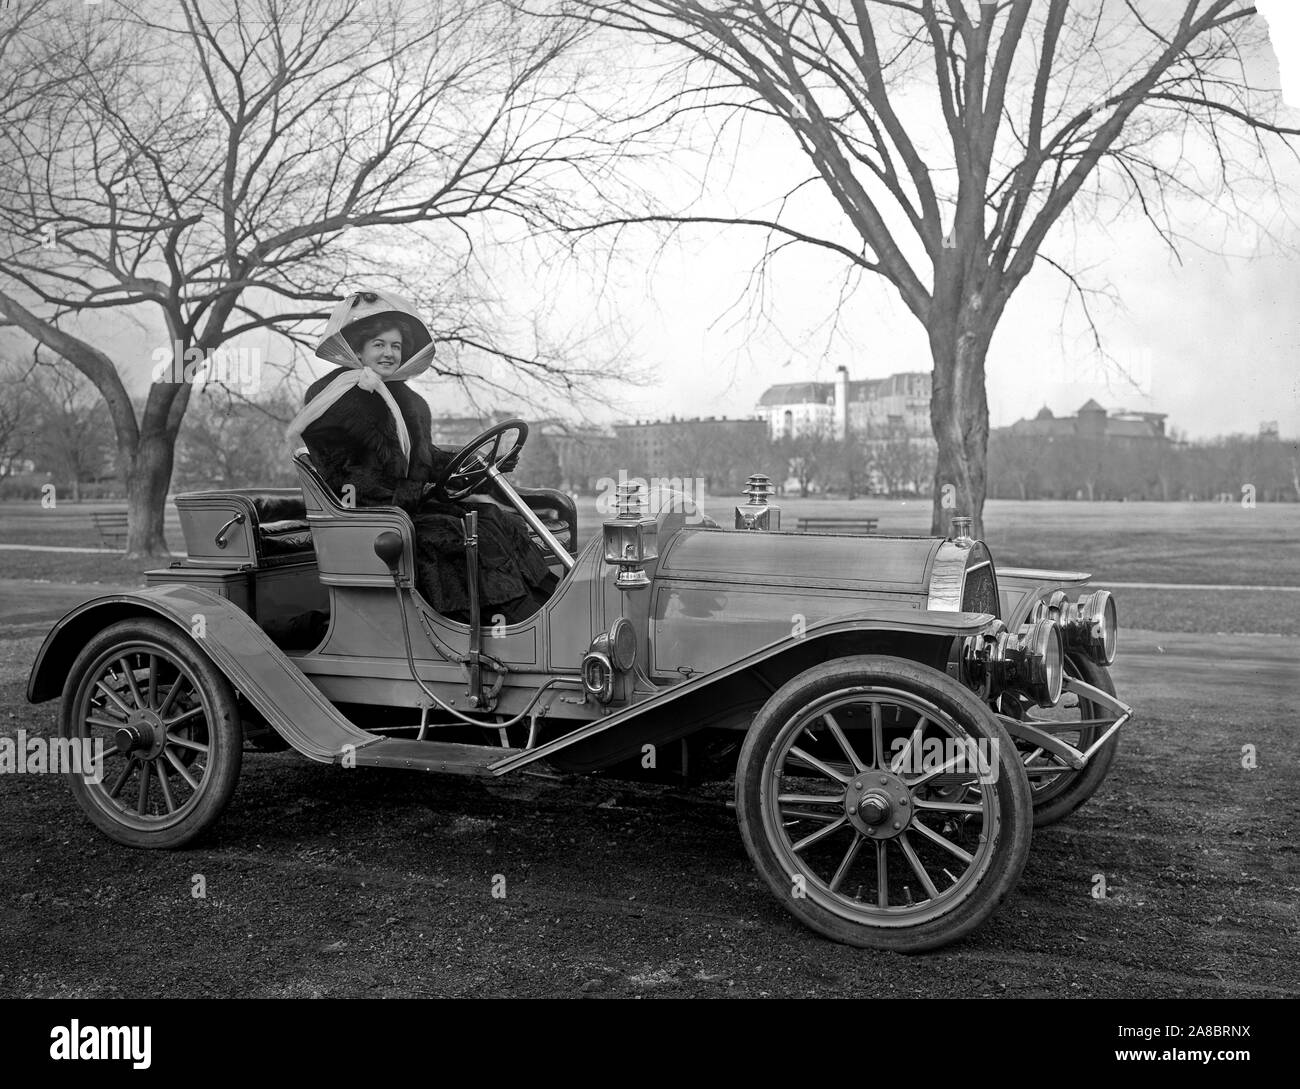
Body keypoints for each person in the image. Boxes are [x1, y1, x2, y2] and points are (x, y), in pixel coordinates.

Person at [286, 289, 557, 624]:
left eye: (395, 346)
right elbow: (345, 477)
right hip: (371, 515)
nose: (389, 353)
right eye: (379, 345)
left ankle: (538, 611)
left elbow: (426, 459)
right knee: (454, 533)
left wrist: (485, 467)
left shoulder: (408, 401)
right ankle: (492, 624)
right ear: (359, 349)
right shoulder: (333, 400)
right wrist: (417, 494)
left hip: (410, 507)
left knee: (495, 519)